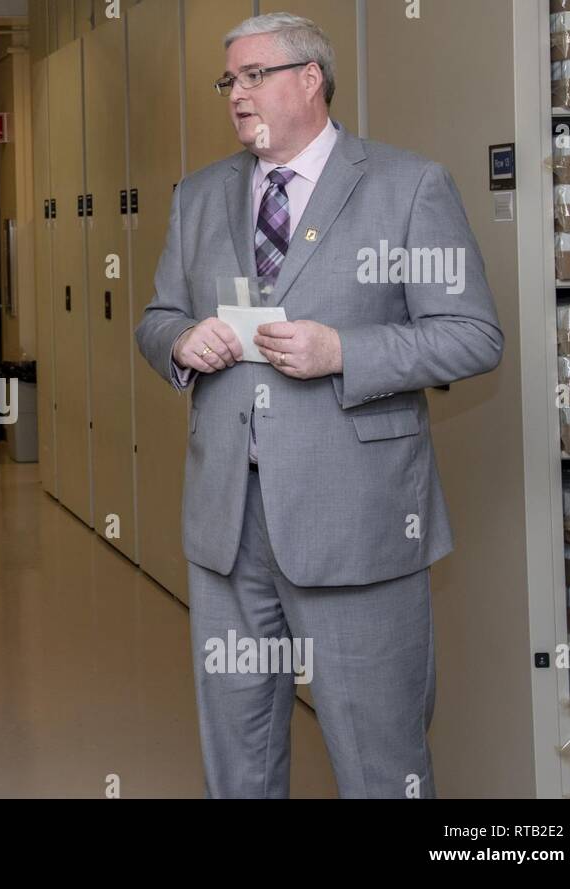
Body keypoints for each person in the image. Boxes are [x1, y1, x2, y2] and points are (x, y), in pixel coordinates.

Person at [135, 13, 503, 798]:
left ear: (311, 79)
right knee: (240, 755)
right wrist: (179, 341)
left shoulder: (407, 186)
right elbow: (157, 315)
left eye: (255, 74)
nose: (237, 93)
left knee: (379, 756)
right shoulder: (198, 196)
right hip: (228, 523)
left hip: (359, 522)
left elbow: (472, 335)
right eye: (228, 79)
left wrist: (347, 353)